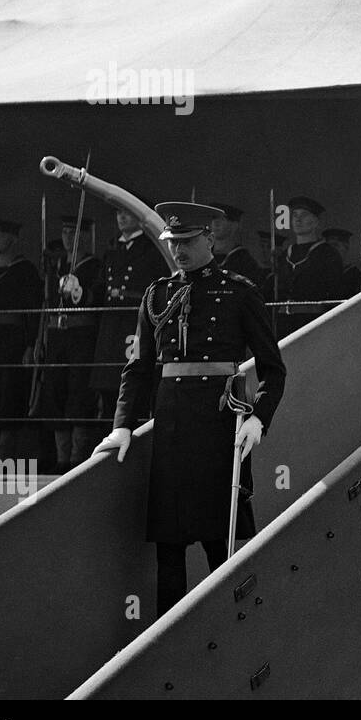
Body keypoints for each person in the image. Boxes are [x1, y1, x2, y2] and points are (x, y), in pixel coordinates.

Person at [94, 203, 286, 618]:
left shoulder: (239, 291)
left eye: (186, 242)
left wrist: (259, 418)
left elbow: (273, 367)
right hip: (172, 430)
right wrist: (123, 426)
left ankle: (234, 625)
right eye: (172, 242)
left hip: (219, 427)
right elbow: (140, 368)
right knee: (170, 546)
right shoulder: (157, 293)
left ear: (208, 240)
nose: (178, 250)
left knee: (223, 543)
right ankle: (168, 637)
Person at [92, 206, 170, 425]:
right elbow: (99, 291)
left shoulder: (151, 249)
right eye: (118, 213)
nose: (122, 217)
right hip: (111, 328)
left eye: (127, 212)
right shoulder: (112, 249)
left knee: (136, 385)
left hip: (135, 325)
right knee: (109, 390)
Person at [39, 215, 103, 471]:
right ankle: (60, 458)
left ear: (85, 237)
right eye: (65, 232)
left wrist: (78, 292)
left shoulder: (93, 266)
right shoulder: (57, 265)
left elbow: (95, 299)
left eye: (74, 232)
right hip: (57, 334)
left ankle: (76, 459)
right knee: (55, 392)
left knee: (78, 392)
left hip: (80, 334)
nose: (68, 237)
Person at [0, 219, 43, 459]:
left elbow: (31, 309)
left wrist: (30, 343)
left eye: (0, 235)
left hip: (12, 339)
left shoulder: (24, 270)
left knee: (9, 393)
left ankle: (4, 453)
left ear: (13, 239)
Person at [272, 195, 344, 339]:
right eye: (295, 215)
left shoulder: (327, 254)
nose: (298, 220)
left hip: (312, 321)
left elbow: (336, 292)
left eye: (304, 215)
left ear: (316, 222)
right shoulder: (285, 254)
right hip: (284, 322)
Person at [208, 204, 264, 286]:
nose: (216, 222)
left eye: (223, 219)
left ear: (235, 225)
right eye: (214, 218)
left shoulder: (245, 261)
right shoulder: (203, 255)